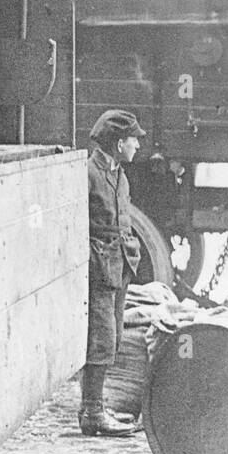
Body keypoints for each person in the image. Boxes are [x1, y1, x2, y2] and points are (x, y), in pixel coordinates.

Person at [80, 109, 147, 437]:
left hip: (119, 266)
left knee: (115, 337)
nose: (138, 145)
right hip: (99, 266)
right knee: (101, 340)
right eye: (134, 139)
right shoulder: (89, 173)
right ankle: (92, 412)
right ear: (120, 143)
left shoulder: (119, 174)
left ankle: (95, 409)